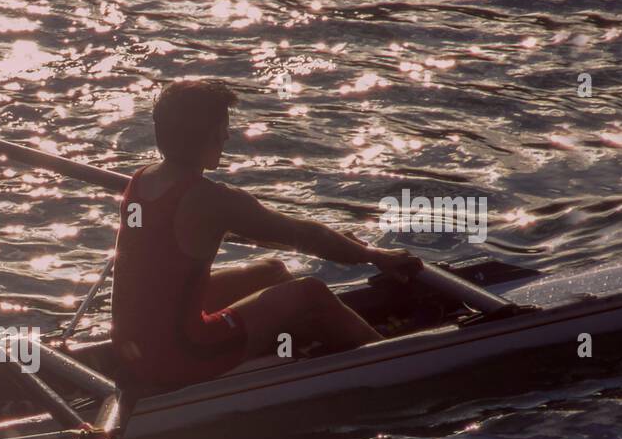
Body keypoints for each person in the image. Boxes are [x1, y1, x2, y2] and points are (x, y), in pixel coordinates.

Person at [111, 79, 421, 391]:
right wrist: (375, 255)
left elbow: (282, 233)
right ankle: (397, 364)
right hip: (180, 356)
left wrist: (336, 241)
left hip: (132, 345)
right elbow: (301, 235)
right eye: (223, 127)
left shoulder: (144, 178)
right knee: (309, 292)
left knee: (272, 272)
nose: (228, 135)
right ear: (205, 135)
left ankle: (295, 345)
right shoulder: (210, 199)